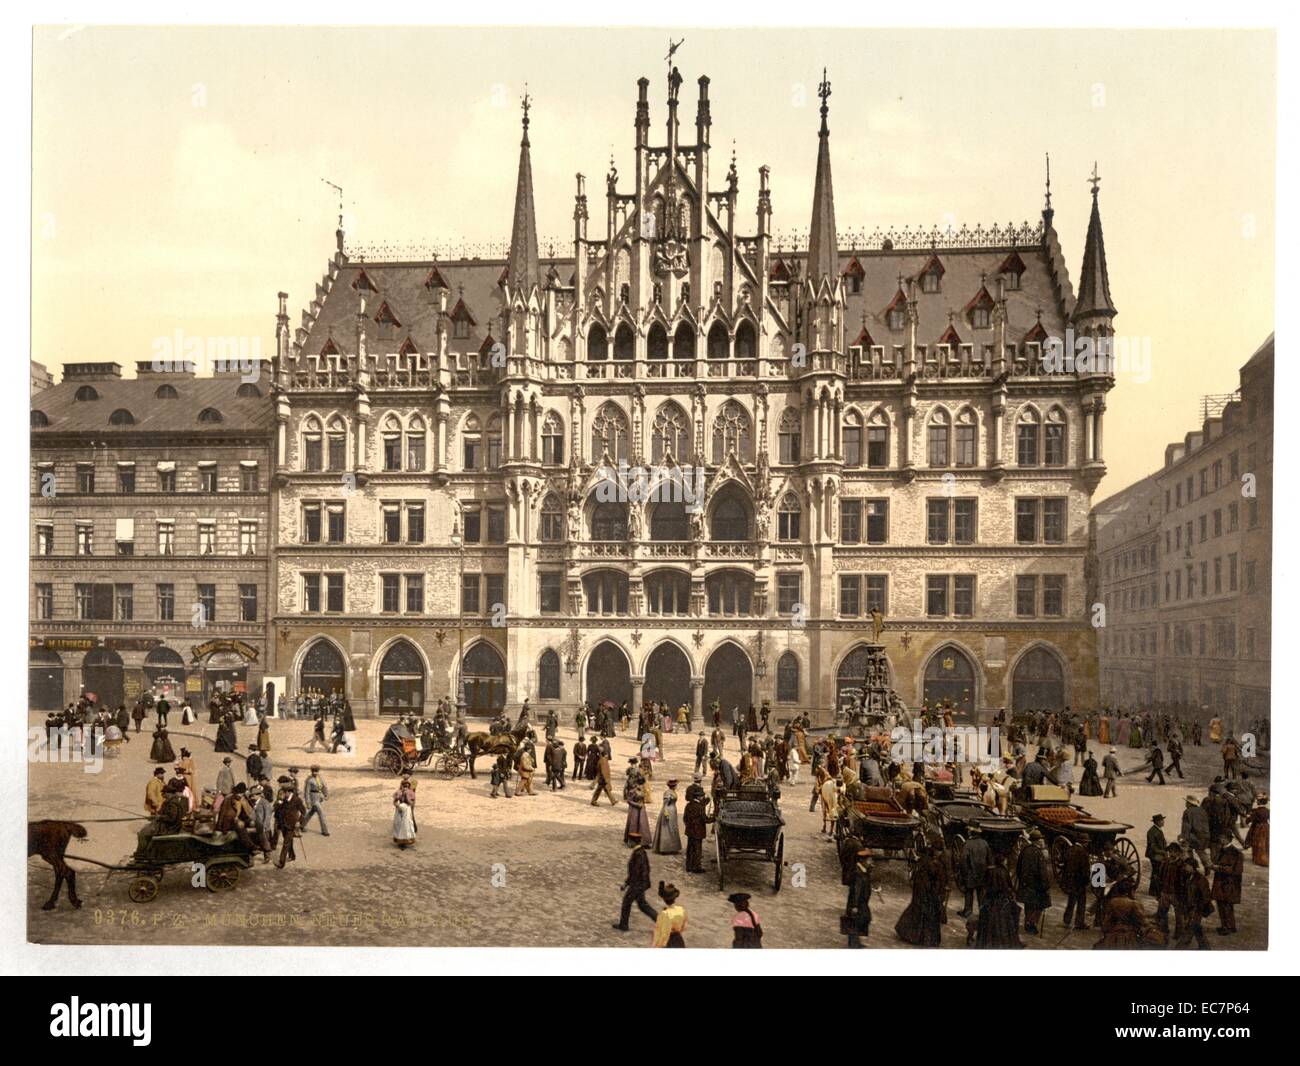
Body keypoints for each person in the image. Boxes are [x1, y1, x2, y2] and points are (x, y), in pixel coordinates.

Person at [895, 840, 946, 946]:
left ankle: (915, 935)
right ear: (935, 850)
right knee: (925, 911)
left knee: (920, 910)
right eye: (939, 851)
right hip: (925, 888)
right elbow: (934, 877)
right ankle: (921, 937)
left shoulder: (929, 859)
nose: (939, 853)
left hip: (923, 887)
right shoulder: (933, 862)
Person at [1014, 830, 1052, 934]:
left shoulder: (1025, 850)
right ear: (1038, 840)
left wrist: (1022, 880)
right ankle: (1031, 924)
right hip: (1036, 886)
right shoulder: (1038, 852)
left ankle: (1027, 923)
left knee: (1028, 906)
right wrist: (1046, 886)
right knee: (1038, 906)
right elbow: (1042, 872)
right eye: (1041, 839)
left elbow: (1018, 868)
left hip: (1026, 884)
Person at [612, 841, 656, 932]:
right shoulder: (641, 851)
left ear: (633, 842)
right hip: (641, 883)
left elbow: (634, 873)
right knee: (643, 905)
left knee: (627, 902)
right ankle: (662, 921)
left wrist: (626, 884)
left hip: (637, 884)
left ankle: (624, 924)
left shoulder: (638, 854)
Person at [1174, 856, 1212, 950]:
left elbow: (1206, 897)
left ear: (1192, 866)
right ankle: (1205, 947)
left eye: (1186, 865)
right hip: (1189, 908)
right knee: (1196, 928)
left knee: (1189, 930)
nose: (1184, 867)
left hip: (1197, 909)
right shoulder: (1187, 877)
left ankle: (1179, 949)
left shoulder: (1201, 879)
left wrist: (1197, 910)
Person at [957, 826, 990, 919]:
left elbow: (963, 860)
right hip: (982, 873)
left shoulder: (967, 844)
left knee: (969, 892)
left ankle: (968, 911)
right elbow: (989, 858)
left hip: (971, 873)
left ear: (970, 832)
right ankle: (982, 912)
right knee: (981, 893)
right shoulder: (984, 843)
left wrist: (964, 874)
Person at [843, 849, 873, 948]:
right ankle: (853, 943)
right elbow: (856, 890)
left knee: (860, 920)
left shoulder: (863, 871)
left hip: (861, 901)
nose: (871, 862)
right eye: (869, 860)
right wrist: (855, 905)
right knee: (859, 920)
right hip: (858, 902)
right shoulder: (858, 873)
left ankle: (854, 942)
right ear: (863, 861)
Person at [1212, 842, 1243, 936]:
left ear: (1226, 838)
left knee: (1226, 905)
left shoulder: (1234, 852)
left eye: (1222, 838)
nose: (1220, 840)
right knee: (1222, 904)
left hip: (1228, 884)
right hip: (1223, 883)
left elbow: (1234, 870)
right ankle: (1226, 926)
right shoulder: (1223, 850)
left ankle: (1228, 927)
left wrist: (1218, 868)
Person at [272, 779, 305, 868]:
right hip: (283, 824)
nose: (282, 794)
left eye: (284, 792)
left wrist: (299, 821)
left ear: (289, 792)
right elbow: (279, 810)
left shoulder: (297, 800)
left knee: (285, 843)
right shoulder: (283, 799)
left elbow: (303, 812)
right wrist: (279, 803)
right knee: (288, 841)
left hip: (291, 824)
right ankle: (292, 855)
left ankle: (281, 863)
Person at [1060, 838, 1091, 931]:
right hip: (1079, 882)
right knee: (1081, 903)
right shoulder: (1083, 853)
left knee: (1071, 901)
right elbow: (1085, 870)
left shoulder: (1070, 849)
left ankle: (1066, 920)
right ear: (1084, 842)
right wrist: (1086, 881)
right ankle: (1079, 922)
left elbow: (1064, 864)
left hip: (1070, 881)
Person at [682, 786, 712, 873]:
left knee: (690, 849)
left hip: (690, 831)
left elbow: (685, 818)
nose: (703, 797)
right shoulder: (700, 807)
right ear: (698, 797)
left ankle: (688, 866)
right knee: (697, 849)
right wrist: (714, 818)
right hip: (698, 832)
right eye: (702, 796)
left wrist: (688, 825)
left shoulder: (688, 805)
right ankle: (696, 868)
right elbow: (705, 820)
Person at [652, 881, 687, 947]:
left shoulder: (664, 914)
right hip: (679, 940)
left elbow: (663, 933)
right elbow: (684, 926)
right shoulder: (682, 910)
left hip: (669, 942)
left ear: (664, 899)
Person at [653, 780, 682, 854]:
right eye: (675, 785)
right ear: (673, 786)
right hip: (669, 810)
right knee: (667, 828)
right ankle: (665, 848)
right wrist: (666, 813)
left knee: (673, 828)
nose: (676, 786)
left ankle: (673, 847)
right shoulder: (668, 793)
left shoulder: (673, 792)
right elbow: (665, 804)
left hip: (673, 811)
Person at [1146, 814, 1169, 897]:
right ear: (1157, 822)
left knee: (1157, 872)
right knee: (1157, 872)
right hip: (1154, 855)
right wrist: (1163, 852)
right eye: (1162, 820)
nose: (1163, 822)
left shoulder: (1158, 830)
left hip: (1158, 854)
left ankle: (1154, 890)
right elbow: (1153, 847)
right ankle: (1154, 891)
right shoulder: (1152, 831)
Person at [302, 765, 329, 836]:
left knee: (311, 812)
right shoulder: (309, 780)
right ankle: (325, 830)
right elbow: (306, 792)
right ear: (311, 771)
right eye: (313, 771)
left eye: (316, 771)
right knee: (321, 813)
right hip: (313, 798)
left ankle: (302, 825)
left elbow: (324, 787)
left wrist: (326, 794)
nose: (315, 773)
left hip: (319, 798)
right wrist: (308, 802)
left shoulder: (320, 778)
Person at [392, 778, 417, 848]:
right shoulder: (398, 792)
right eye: (404, 785)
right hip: (399, 809)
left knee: (406, 825)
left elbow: (411, 803)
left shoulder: (411, 793)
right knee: (398, 824)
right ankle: (399, 841)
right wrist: (397, 804)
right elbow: (394, 801)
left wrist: (406, 796)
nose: (405, 787)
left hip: (407, 809)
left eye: (407, 786)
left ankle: (406, 840)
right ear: (401, 786)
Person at [1247, 795, 1270, 866]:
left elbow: (1250, 820)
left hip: (1258, 827)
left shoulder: (1256, 811)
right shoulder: (1268, 811)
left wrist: (1248, 818)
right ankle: (1266, 857)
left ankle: (1258, 859)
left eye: (1257, 801)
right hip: (1266, 827)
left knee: (1257, 842)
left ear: (1259, 803)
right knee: (1265, 842)